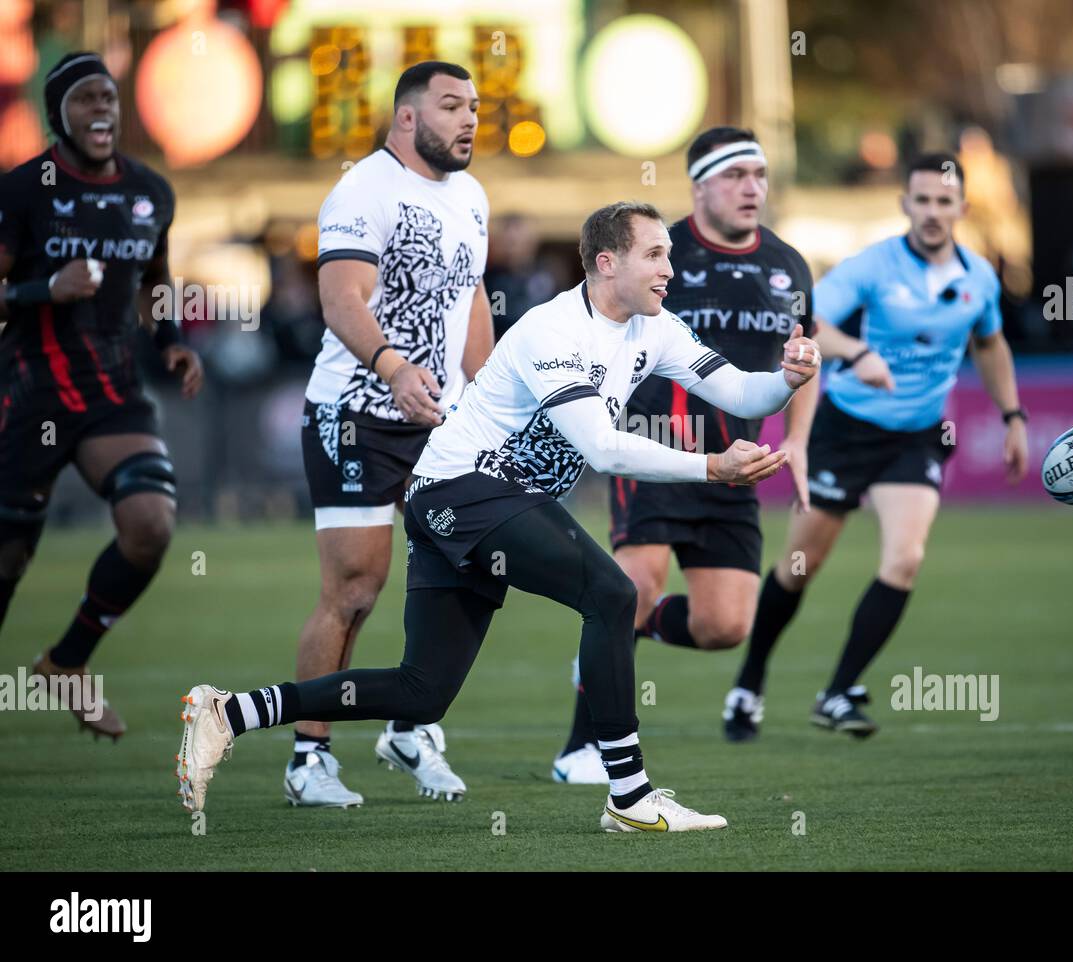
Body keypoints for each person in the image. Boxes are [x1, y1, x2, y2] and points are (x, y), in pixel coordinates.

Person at [175, 201, 821, 832]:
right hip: (463, 491)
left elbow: (738, 388)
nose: (669, 270)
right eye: (655, 255)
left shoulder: (655, 326)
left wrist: (787, 379)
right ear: (606, 262)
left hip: (472, 500)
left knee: (421, 693)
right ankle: (630, 794)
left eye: (670, 257)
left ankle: (229, 713)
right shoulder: (553, 329)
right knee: (612, 593)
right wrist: (711, 467)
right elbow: (602, 447)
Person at [725, 153, 1028, 739]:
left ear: (963, 208)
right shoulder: (873, 266)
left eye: (945, 202)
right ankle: (750, 680)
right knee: (799, 567)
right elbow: (811, 324)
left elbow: (990, 346)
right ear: (905, 205)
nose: (934, 212)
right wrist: (858, 353)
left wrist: (1012, 414)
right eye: (923, 200)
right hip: (846, 428)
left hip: (916, 437)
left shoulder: (980, 277)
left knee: (906, 559)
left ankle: (837, 692)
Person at [551, 127, 816, 782]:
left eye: (758, 174)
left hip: (735, 464)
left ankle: (616, 637)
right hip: (654, 447)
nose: (752, 187)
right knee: (634, 584)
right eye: (735, 176)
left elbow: (804, 360)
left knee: (725, 625)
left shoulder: (790, 266)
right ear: (700, 186)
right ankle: (581, 748)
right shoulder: (656, 253)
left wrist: (801, 440)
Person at [289, 61, 494, 806]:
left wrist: (492, 397)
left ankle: (410, 729)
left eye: (474, 106)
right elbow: (339, 297)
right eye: (451, 105)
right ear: (407, 118)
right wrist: (392, 366)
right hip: (356, 415)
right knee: (355, 589)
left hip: (440, 424)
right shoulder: (363, 189)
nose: (470, 118)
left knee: (466, 567)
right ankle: (308, 759)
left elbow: (471, 300)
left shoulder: (470, 195)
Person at [0, 52, 203, 739]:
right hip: (28, 389)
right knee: (10, 557)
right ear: (59, 114)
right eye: (86, 99)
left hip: (113, 389)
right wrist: (40, 291)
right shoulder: (24, 190)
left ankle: (65, 663)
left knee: (151, 524)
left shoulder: (151, 191)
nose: (102, 110)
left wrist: (171, 338)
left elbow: (155, 278)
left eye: (109, 98)